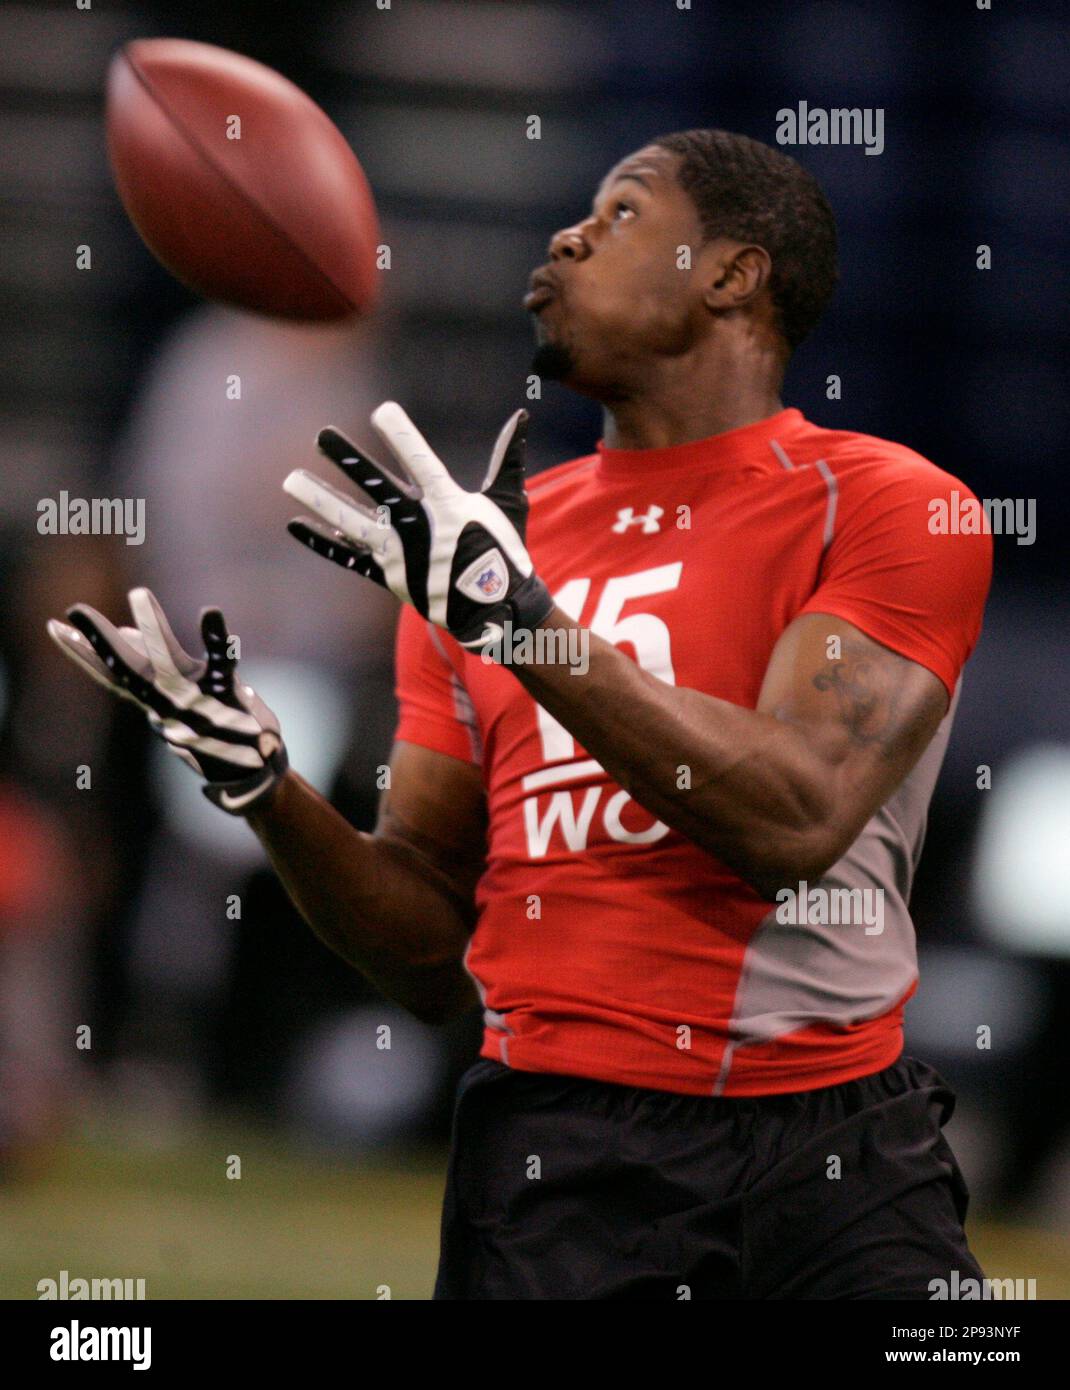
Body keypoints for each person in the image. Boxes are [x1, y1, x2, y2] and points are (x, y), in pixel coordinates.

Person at [48, 129, 992, 1299]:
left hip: (839, 1146)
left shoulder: (890, 502)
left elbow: (792, 819)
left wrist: (518, 623)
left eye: (622, 214)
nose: (566, 236)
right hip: (562, 1152)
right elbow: (432, 954)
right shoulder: (478, 551)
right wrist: (266, 795)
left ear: (732, 274)